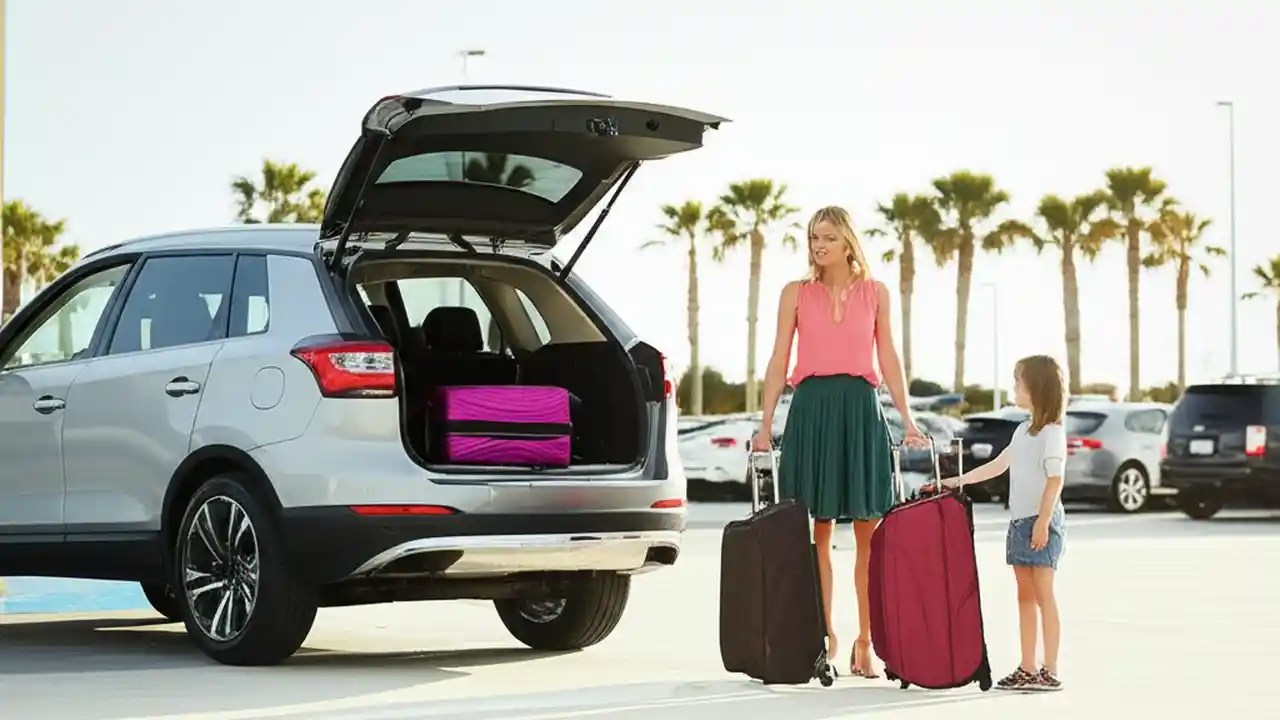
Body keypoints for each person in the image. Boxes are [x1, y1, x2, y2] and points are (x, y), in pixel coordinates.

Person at [751, 205, 927, 679]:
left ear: (848, 241)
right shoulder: (795, 293)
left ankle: (865, 641)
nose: (819, 246)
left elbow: (888, 357)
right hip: (811, 411)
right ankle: (824, 638)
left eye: (828, 237)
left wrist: (908, 421)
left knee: (869, 532)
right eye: (814, 238)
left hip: (860, 410)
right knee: (817, 533)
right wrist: (765, 426)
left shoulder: (876, 293)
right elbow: (778, 359)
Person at [939, 354, 1068, 691]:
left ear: (1037, 387)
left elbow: (1055, 480)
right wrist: (957, 481)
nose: (1014, 388)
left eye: (1018, 381)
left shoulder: (1052, 433)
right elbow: (999, 464)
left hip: (1041, 523)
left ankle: (1050, 669)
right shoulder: (1022, 430)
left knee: (1044, 595)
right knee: (1024, 596)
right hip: (1019, 523)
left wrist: (1043, 521)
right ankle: (1028, 667)